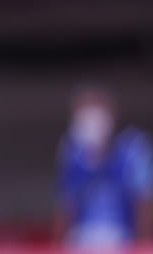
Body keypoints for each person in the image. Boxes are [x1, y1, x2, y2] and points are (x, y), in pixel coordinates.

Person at [54, 85, 153, 249]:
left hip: (124, 240)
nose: (90, 122)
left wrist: (143, 246)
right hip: (81, 239)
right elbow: (66, 205)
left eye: (96, 114)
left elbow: (144, 204)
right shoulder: (72, 151)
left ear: (111, 115)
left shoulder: (133, 149)